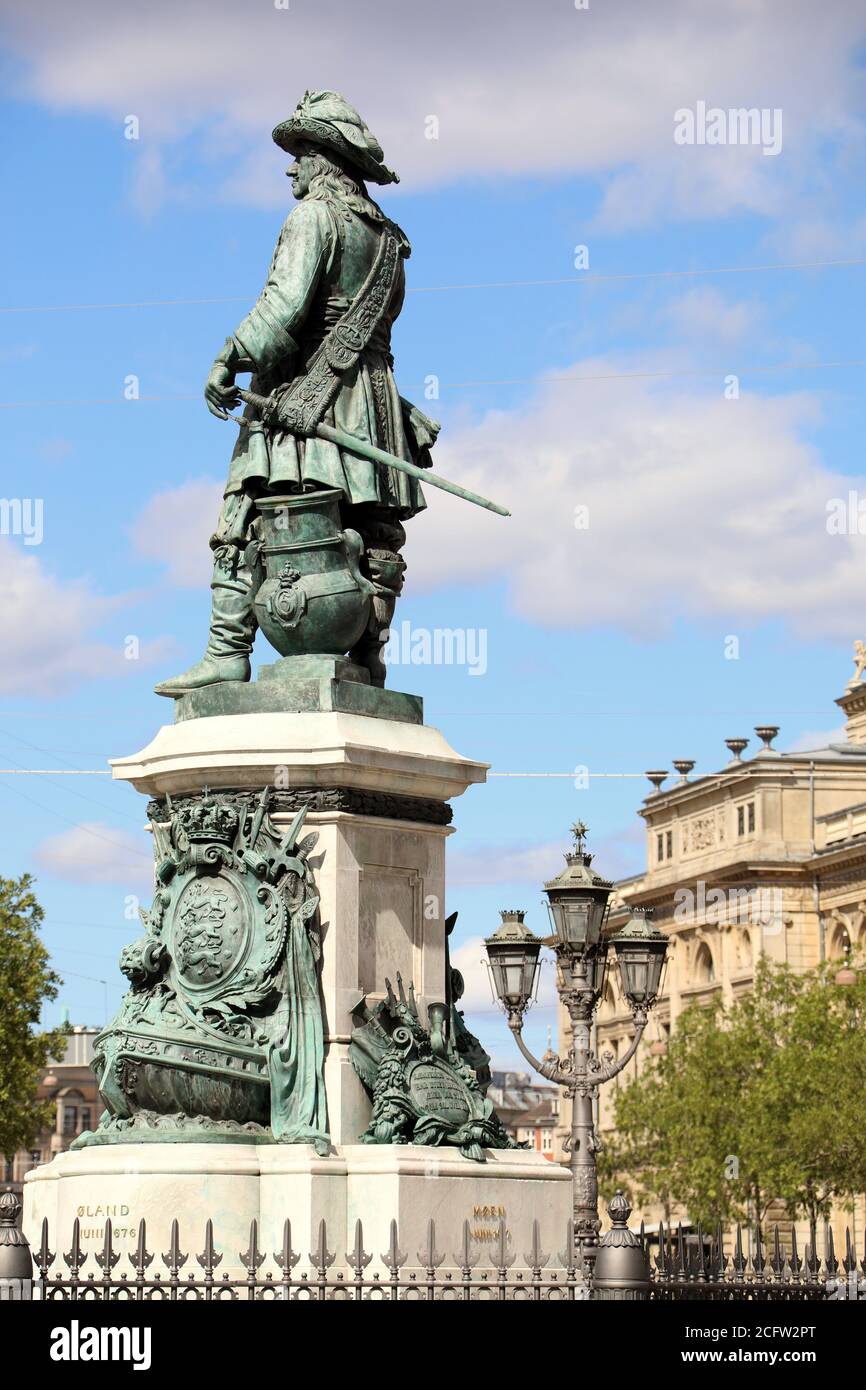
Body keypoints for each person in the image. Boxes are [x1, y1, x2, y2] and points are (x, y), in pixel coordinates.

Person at [155, 90, 438, 696]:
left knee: (248, 520)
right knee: (373, 535)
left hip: (309, 396)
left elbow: (284, 309)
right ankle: (366, 662)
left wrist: (229, 357)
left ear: (325, 162)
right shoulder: (389, 242)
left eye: (300, 154)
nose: (292, 167)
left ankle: (227, 652)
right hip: (374, 405)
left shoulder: (311, 218)